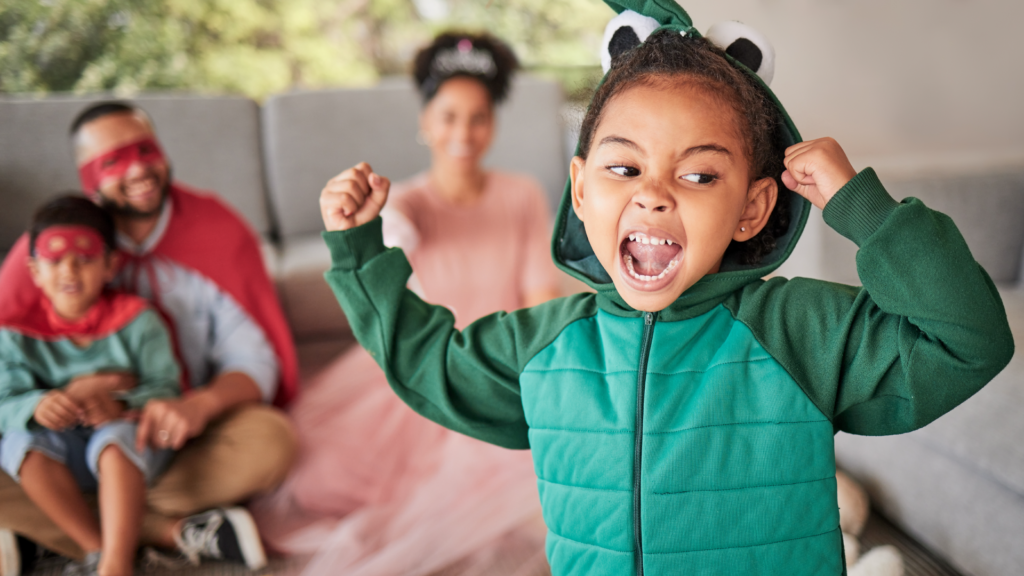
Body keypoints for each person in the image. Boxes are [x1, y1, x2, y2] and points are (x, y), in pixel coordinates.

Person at [313, 2, 1014, 575]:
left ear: (753, 208)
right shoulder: (546, 348)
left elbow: (970, 339)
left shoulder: (799, 331)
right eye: (624, 170)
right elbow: (421, 361)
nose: (653, 196)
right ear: (580, 192)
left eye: (699, 175)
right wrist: (357, 249)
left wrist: (866, 209)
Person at [251, 32, 560, 575]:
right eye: (448, 116)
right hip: (428, 359)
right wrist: (375, 223)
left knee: (532, 492)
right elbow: (388, 242)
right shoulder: (408, 202)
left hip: (495, 361)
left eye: (478, 117)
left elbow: (540, 299)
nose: (463, 132)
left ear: (493, 123)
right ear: (425, 123)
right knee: (314, 479)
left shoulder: (523, 193)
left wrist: (539, 379)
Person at [0, 102, 299, 572]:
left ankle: (59, 535)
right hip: (56, 443)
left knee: (271, 441)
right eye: (113, 161)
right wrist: (63, 398)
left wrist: (195, 406)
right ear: (89, 179)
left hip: (167, 436)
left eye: (145, 150)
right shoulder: (50, 245)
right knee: (22, 454)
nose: (138, 168)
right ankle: (167, 532)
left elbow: (255, 360)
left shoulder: (217, 229)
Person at [0, 196, 180, 576]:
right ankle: (100, 551)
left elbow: (167, 389)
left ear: (111, 265)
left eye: (84, 258)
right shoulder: (14, 335)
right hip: (58, 457)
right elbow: (3, 404)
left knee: (115, 441)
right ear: (33, 270)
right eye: (54, 259)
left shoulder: (139, 322)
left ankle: (116, 565)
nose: (69, 269)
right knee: (19, 443)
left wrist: (122, 402)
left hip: (129, 454)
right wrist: (38, 405)